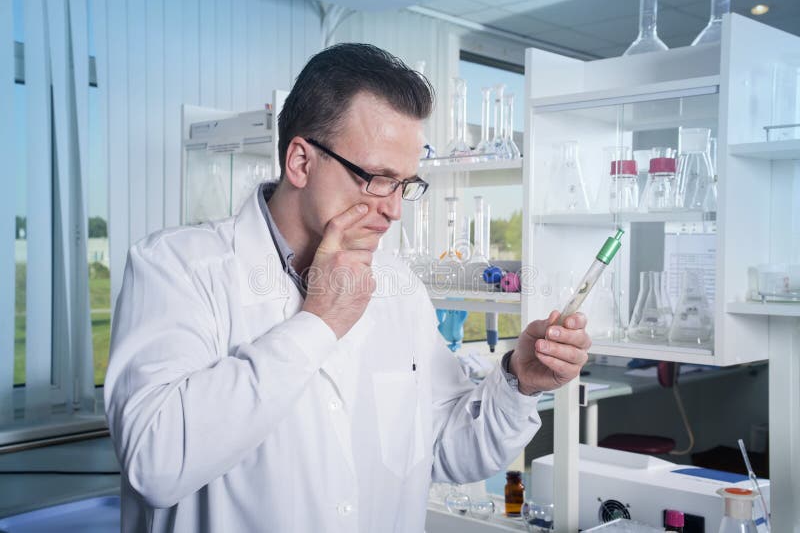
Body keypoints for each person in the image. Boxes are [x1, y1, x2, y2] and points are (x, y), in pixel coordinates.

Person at [105, 43, 590, 533]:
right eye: (377, 179)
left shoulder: (397, 284)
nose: (395, 209)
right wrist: (319, 323)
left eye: (404, 184)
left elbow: (445, 451)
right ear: (300, 161)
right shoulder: (176, 268)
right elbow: (155, 463)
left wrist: (518, 382)